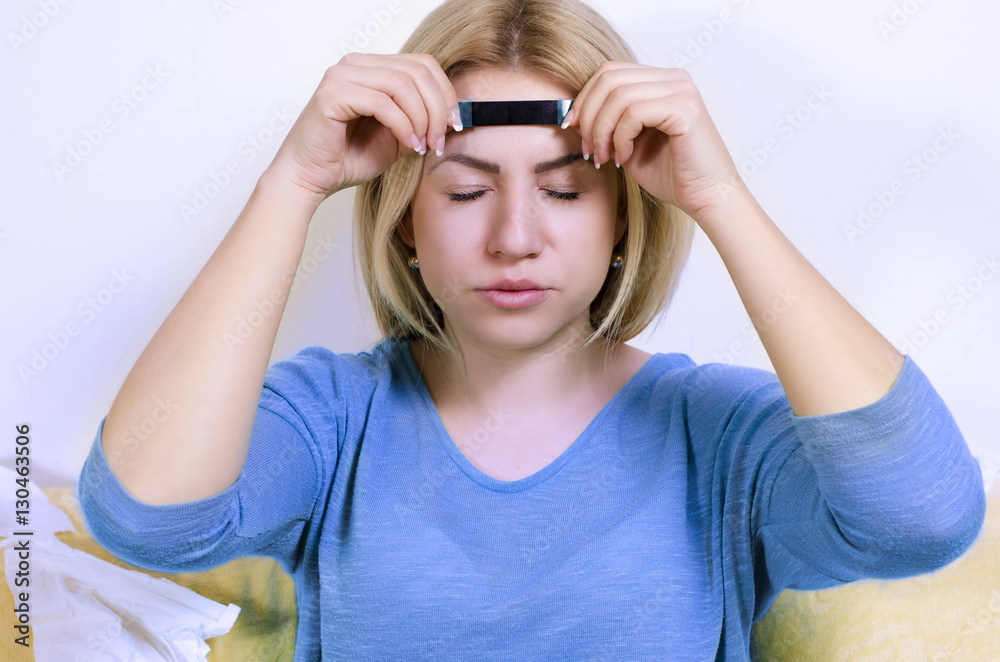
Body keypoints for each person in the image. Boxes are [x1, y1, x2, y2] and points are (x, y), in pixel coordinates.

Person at [77, 0, 986, 659]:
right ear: (407, 224)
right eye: (467, 190)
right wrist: (293, 183)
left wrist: (720, 196)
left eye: (564, 190)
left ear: (623, 218)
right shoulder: (334, 417)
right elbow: (146, 517)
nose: (516, 236)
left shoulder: (719, 435)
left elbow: (925, 519)